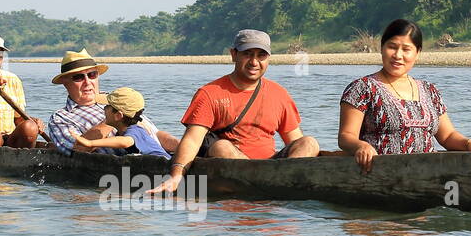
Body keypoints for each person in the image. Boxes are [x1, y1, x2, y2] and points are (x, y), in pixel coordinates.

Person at [147, 29, 318, 195]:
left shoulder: (278, 93)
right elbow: (192, 140)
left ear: (268, 59)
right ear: (233, 54)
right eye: (247, 54)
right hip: (233, 168)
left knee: (309, 143)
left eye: (261, 56)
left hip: (270, 170)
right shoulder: (210, 93)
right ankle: (267, 188)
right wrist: (176, 176)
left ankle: (280, 186)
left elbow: (295, 141)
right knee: (222, 146)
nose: (254, 62)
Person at [337, 19, 471, 173]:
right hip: (379, 174)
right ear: (382, 48)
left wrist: (469, 143)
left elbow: (448, 136)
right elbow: (346, 136)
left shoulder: (429, 90)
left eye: (406, 49)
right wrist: (361, 146)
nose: (398, 55)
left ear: (417, 53)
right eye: (392, 47)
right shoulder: (362, 88)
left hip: (427, 175)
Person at [45, 49, 178, 155]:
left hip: (155, 157)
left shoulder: (118, 99)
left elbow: (155, 134)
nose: (87, 82)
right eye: (78, 77)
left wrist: (183, 148)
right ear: (65, 83)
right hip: (120, 166)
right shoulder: (61, 118)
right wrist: (114, 118)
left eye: (92, 75)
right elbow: (78, 150)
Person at [70, 88, 171, 158]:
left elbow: (125, 142)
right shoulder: (127, 131)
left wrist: (90, 143)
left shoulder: (134, 131)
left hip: (162, 163)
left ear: (118, 115)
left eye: (107, 106)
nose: (103, 108)